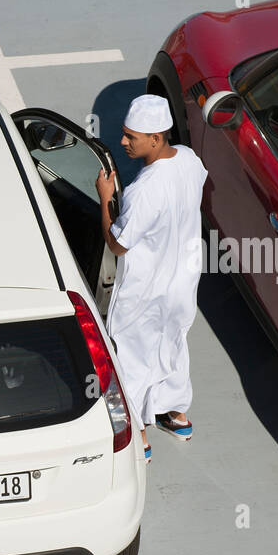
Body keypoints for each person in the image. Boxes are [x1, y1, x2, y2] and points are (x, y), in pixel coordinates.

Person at [95, 94, 208, 462]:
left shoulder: (144, 191)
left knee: (131, 356)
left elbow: (117, 245)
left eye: (132, 137)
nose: (124, 142)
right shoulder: (190, 161)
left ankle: (138, 436)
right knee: (173, 344)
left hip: (146, 290)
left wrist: (106, 199)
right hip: (183, 283)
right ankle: (177, 416)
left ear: (156, 138)